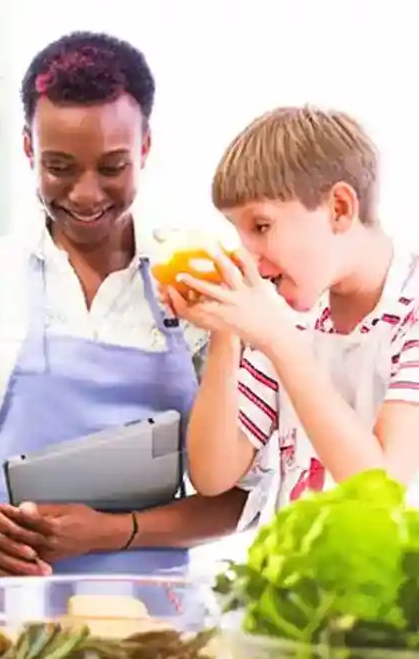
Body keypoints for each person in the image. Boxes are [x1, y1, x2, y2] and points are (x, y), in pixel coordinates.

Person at [0, 32, 248, 580]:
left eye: (112, 167)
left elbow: (242, 495)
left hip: (156, 616)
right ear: (29, 148)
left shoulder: (203, 281)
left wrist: (113, 532)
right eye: (60, 167)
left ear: (145, 148)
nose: (86, 193)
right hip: (9, 604)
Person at [171, 106, 419, 526]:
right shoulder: (289, 314)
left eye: (261, 226)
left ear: (339, 208)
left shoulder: (409, 312)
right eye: (238, 232)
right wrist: (225, 335)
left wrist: (280, 340)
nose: (248, 254)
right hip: (303, 585)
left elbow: (380, 491)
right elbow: (212, 474)